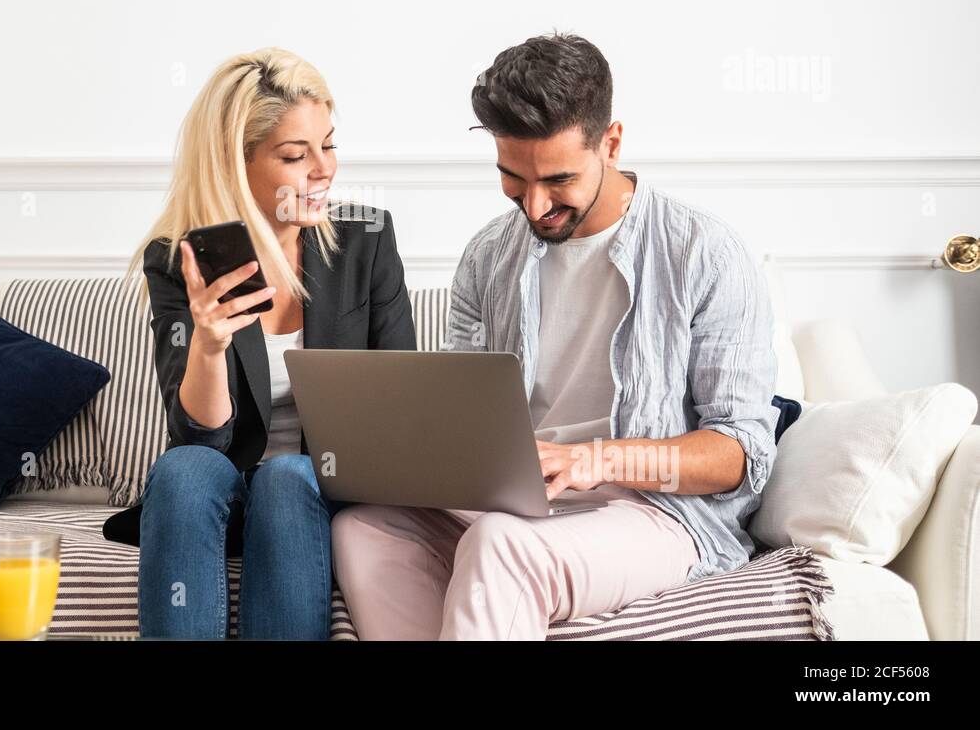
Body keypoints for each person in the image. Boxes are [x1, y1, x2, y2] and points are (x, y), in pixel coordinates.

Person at [330, 32, 779, 640]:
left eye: (559, 180)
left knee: (501, 545)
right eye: (514, 180)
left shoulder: (706, 255)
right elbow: (464, 413)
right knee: (364, 527)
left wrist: (596, 459)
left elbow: (740, 453)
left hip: (651, 512)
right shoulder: (489, 256)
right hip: (514, 501)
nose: (536, 206)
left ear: (611, 142)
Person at [102, 47, 416, 640]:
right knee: (184, 468)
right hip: (218, 495)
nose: (323, 169)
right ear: (233, 165)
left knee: (285, 477)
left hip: (321, 491)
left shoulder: (366, 242)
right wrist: (209, 344)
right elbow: (203, 437)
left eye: (329, 145)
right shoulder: (179, 262)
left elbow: (402, 407)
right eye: (296, 155)